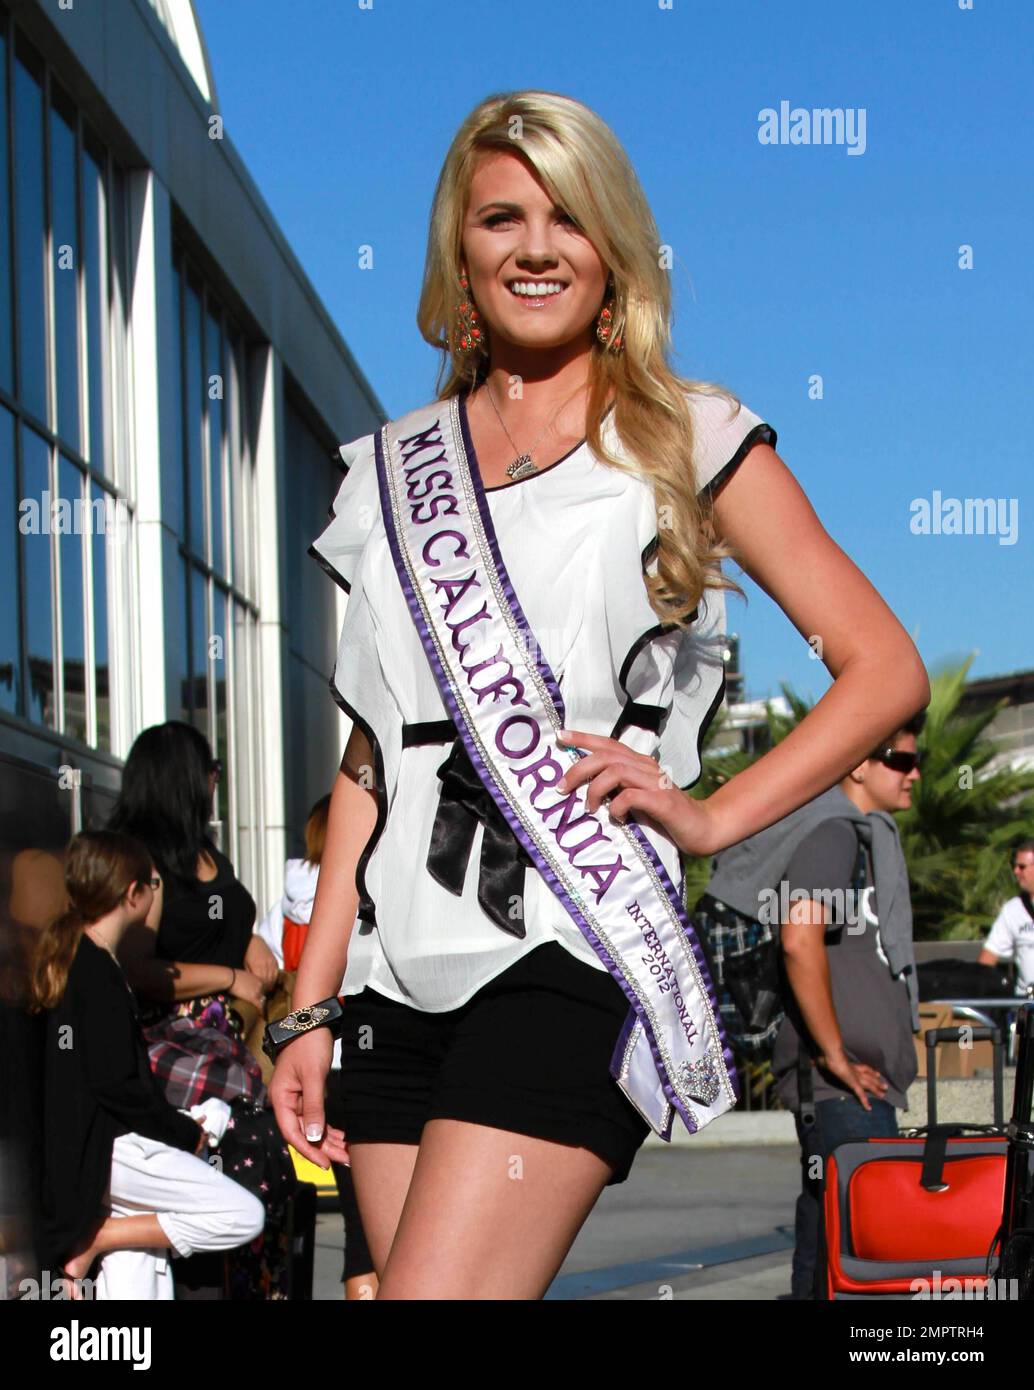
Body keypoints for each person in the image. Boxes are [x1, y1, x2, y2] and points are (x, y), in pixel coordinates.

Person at [269, 89, 930, 1301]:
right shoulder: (390, 475)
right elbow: (369, 757)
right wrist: (304, 1009)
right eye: (500, 218)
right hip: (388, 969)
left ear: (612, 248)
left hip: (566, 942)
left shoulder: (688, 436)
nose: (534, 248)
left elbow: (881, 663)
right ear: (456, 254)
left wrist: (713, 817)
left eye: (567, 219)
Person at [705, 715, 923, 1298]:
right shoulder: (834, 833)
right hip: (840, 1086)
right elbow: (800, 935)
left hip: (852, 1086)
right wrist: (835, 1055)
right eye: (900, 761)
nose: (915, 774)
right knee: (863, 1258)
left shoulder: (859, 836)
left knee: (827, 1246)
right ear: (858, 763)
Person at [28, 830, 264, 1299]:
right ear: (133, 895)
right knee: (242, 1214)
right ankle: (98, 1238)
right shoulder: (97, 974)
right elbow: (117, 1085)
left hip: (94, 1152)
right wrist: (183, 1133)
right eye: (153, 886)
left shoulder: (78, 960)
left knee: (140, 1263)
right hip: (113, 1150)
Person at [107, 720, 295, 1299]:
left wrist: (249, 942)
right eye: (211, 771)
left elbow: (220, 918)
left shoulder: (203, 851)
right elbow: (140, 971)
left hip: (244, 1028)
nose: (217, 781)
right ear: (185, 778)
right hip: (179, 1042)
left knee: (317, 1049)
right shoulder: (142, 861)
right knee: (241, 1153)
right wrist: (231, 975)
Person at [257, 794, 377, 1298]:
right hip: (374, 1062)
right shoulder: (369, 891)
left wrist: (299, 1028)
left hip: (315, 1069)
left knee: (358, 1228)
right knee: (390, 1230)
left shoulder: (281, 908)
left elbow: (268, 984)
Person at [978, 840, 1034, 996]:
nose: (1016, 871)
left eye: (1022, 867)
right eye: (1015, 866)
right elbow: (986, 961)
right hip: (1027, 1005)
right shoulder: (1012, 910)